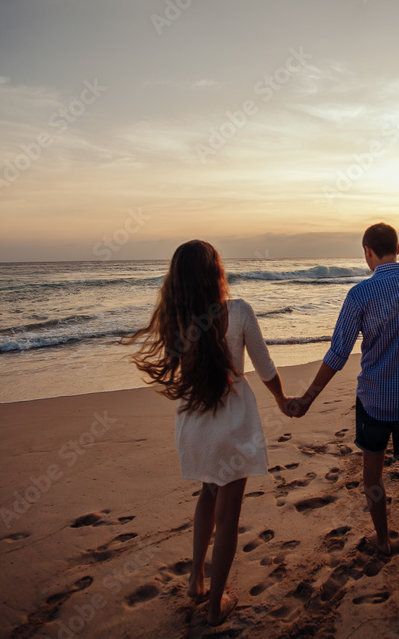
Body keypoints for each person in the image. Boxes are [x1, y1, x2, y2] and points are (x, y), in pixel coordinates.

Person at [122, 240, 291, 626]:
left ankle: (197, 580)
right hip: (231, 425)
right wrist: (283, 401)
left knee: (207, 493)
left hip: (195, 425)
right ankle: (216, 607)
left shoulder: (179, 319)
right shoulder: (240, 311)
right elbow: (265, 369)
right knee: (228, 515)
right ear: (216, 273)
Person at [288, 222, 399, 604]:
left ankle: (384, 539)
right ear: (398, 248)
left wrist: (307, 398)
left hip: (374, 400)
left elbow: (338, 353)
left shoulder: (360, 294)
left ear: (367, 252)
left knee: (372, 469)